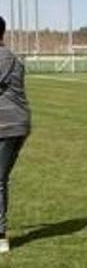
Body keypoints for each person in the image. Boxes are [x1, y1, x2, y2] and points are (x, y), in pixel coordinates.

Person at [0, 15, 30, 255]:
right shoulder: (13, 59)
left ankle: (0, 236)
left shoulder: (3, 59)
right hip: (16, 123)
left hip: (5, 125)